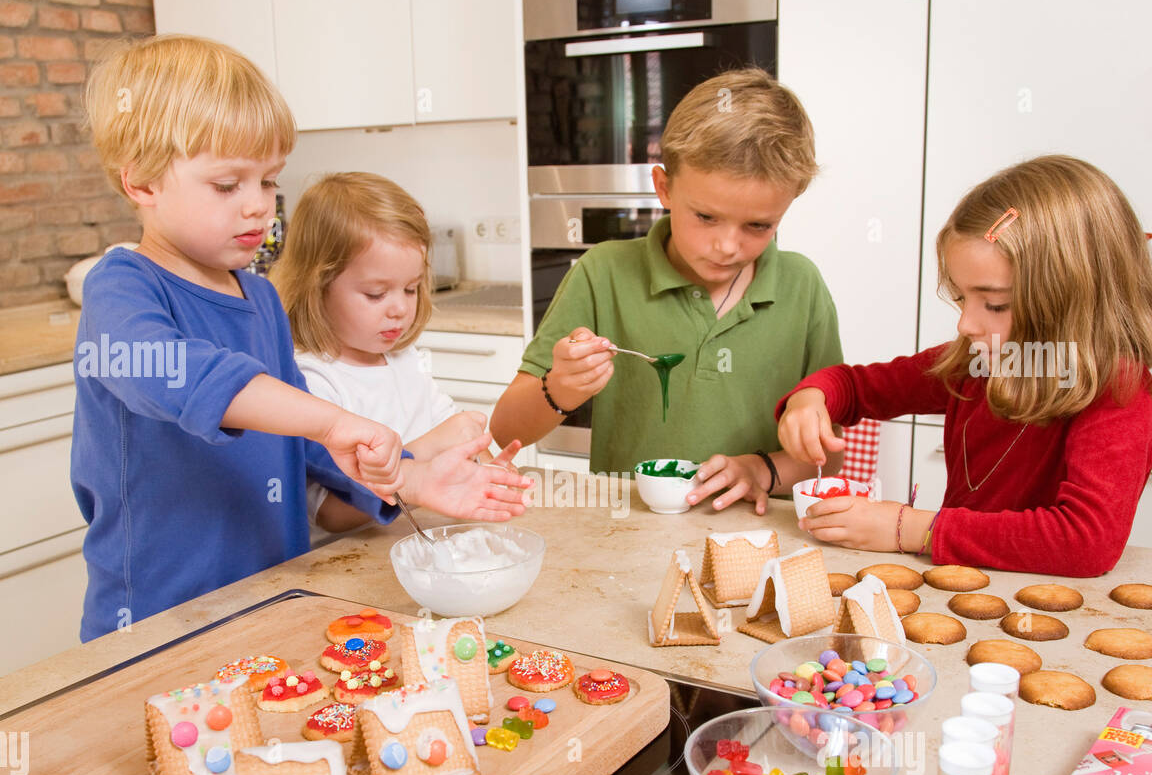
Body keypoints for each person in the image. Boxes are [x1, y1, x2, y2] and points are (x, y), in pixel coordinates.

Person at [74, 34, 529, 641]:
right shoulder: (122, 288)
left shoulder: (259, 297)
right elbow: (181, 377)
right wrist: (333, 422)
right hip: (158, 617)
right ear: (143, 185)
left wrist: (411, 478)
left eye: (268, 182)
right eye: (227, 184)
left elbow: (302, 449)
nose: (259, 208)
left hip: (273, 597)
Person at [778, 155, 1152, 576]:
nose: (965, 323)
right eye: (960, 297)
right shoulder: (976, 363)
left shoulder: (1118, 389)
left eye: (995, 304)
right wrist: (810, 400)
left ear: (1075, 300)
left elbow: (1085, 541)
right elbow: (858, 387)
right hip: (961, 590)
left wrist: (908, 528)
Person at [489, 68, 843, 509]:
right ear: (664, 188)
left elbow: (825, 459)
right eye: (706, 217)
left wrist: (760, 470)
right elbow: (506, 431)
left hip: (754, 539)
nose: (728, 246)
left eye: (758, 225)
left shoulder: (801, 288)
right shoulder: (604, 274)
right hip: (625, 534)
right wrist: (560, 386)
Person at [274, 172, 519, 535]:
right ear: (317, 287)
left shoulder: (403, 360)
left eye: (410, 288)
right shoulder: (311, 380)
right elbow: (329, 513)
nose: (400, 309)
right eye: (376, 294)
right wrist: (427, 453)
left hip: (410, 541)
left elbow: (458, 433)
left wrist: (487, 470)